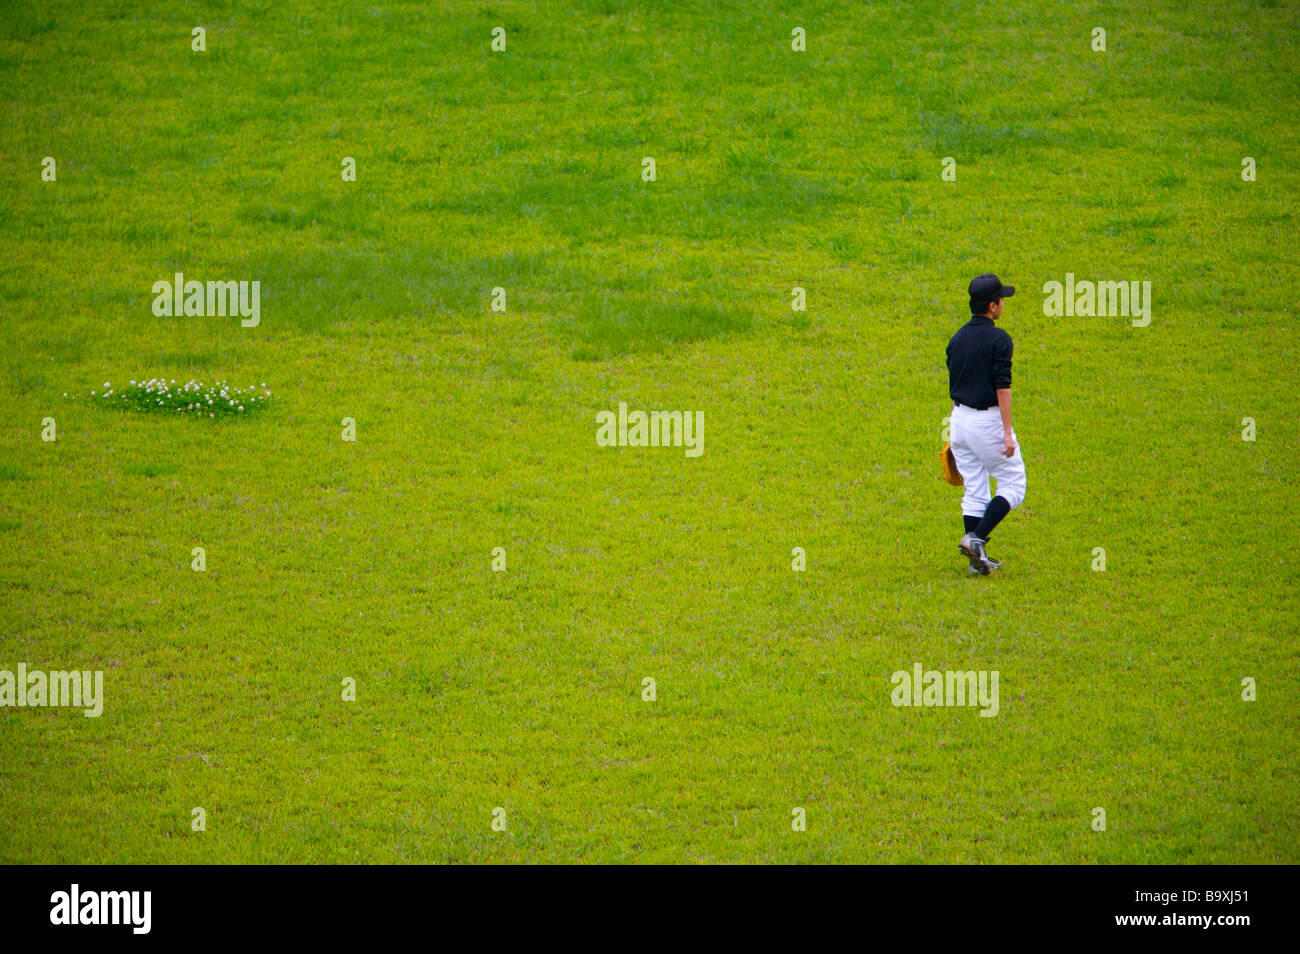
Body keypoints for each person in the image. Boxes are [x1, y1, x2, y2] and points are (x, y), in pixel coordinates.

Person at [946, 274, 1028, 575]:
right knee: (1014, 483)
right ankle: (976, 538)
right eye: (1002, 300)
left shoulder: (957, 338)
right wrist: (1006, 432)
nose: (1004, 304)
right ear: (992, 306)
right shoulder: (1000, 340)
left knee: (975, 488)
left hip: (959, 420)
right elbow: (1002, 388)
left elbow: (956, 380)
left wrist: (959, 431)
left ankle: (976, 561)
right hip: (987, 422)